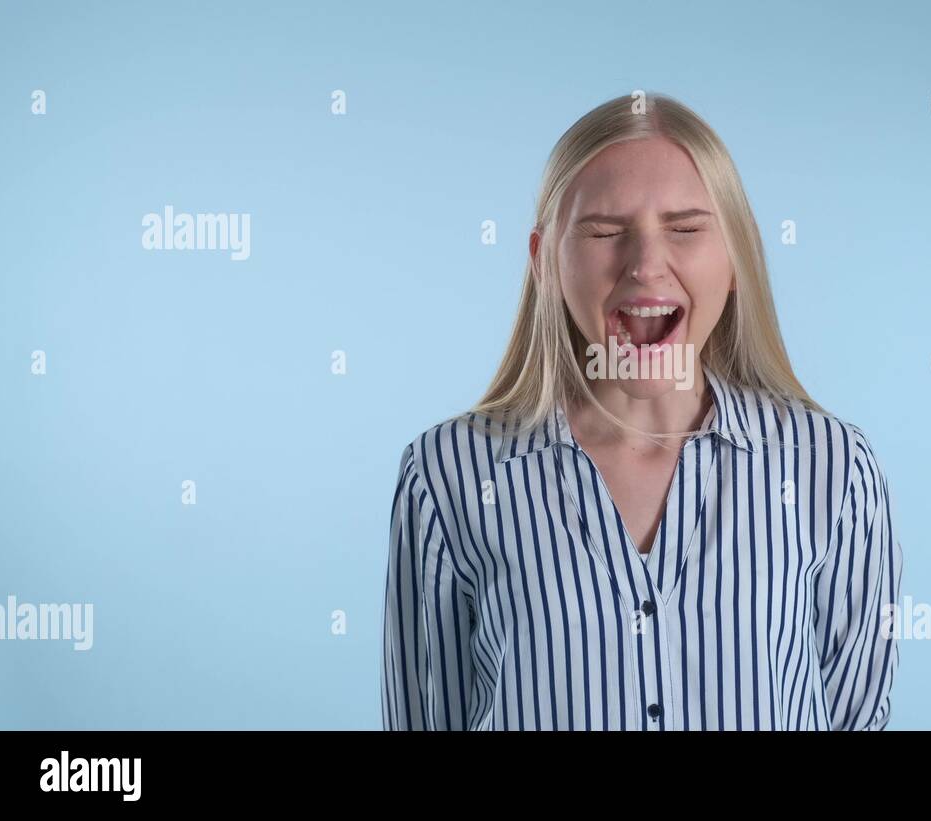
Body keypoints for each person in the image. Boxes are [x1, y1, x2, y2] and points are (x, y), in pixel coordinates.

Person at [382, 93, 902, 730]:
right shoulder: (447, 474)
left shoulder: (832, 469)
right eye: (604, 231)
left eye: (685, 228)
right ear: (545, 261)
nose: (646, 264)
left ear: (737, 257)